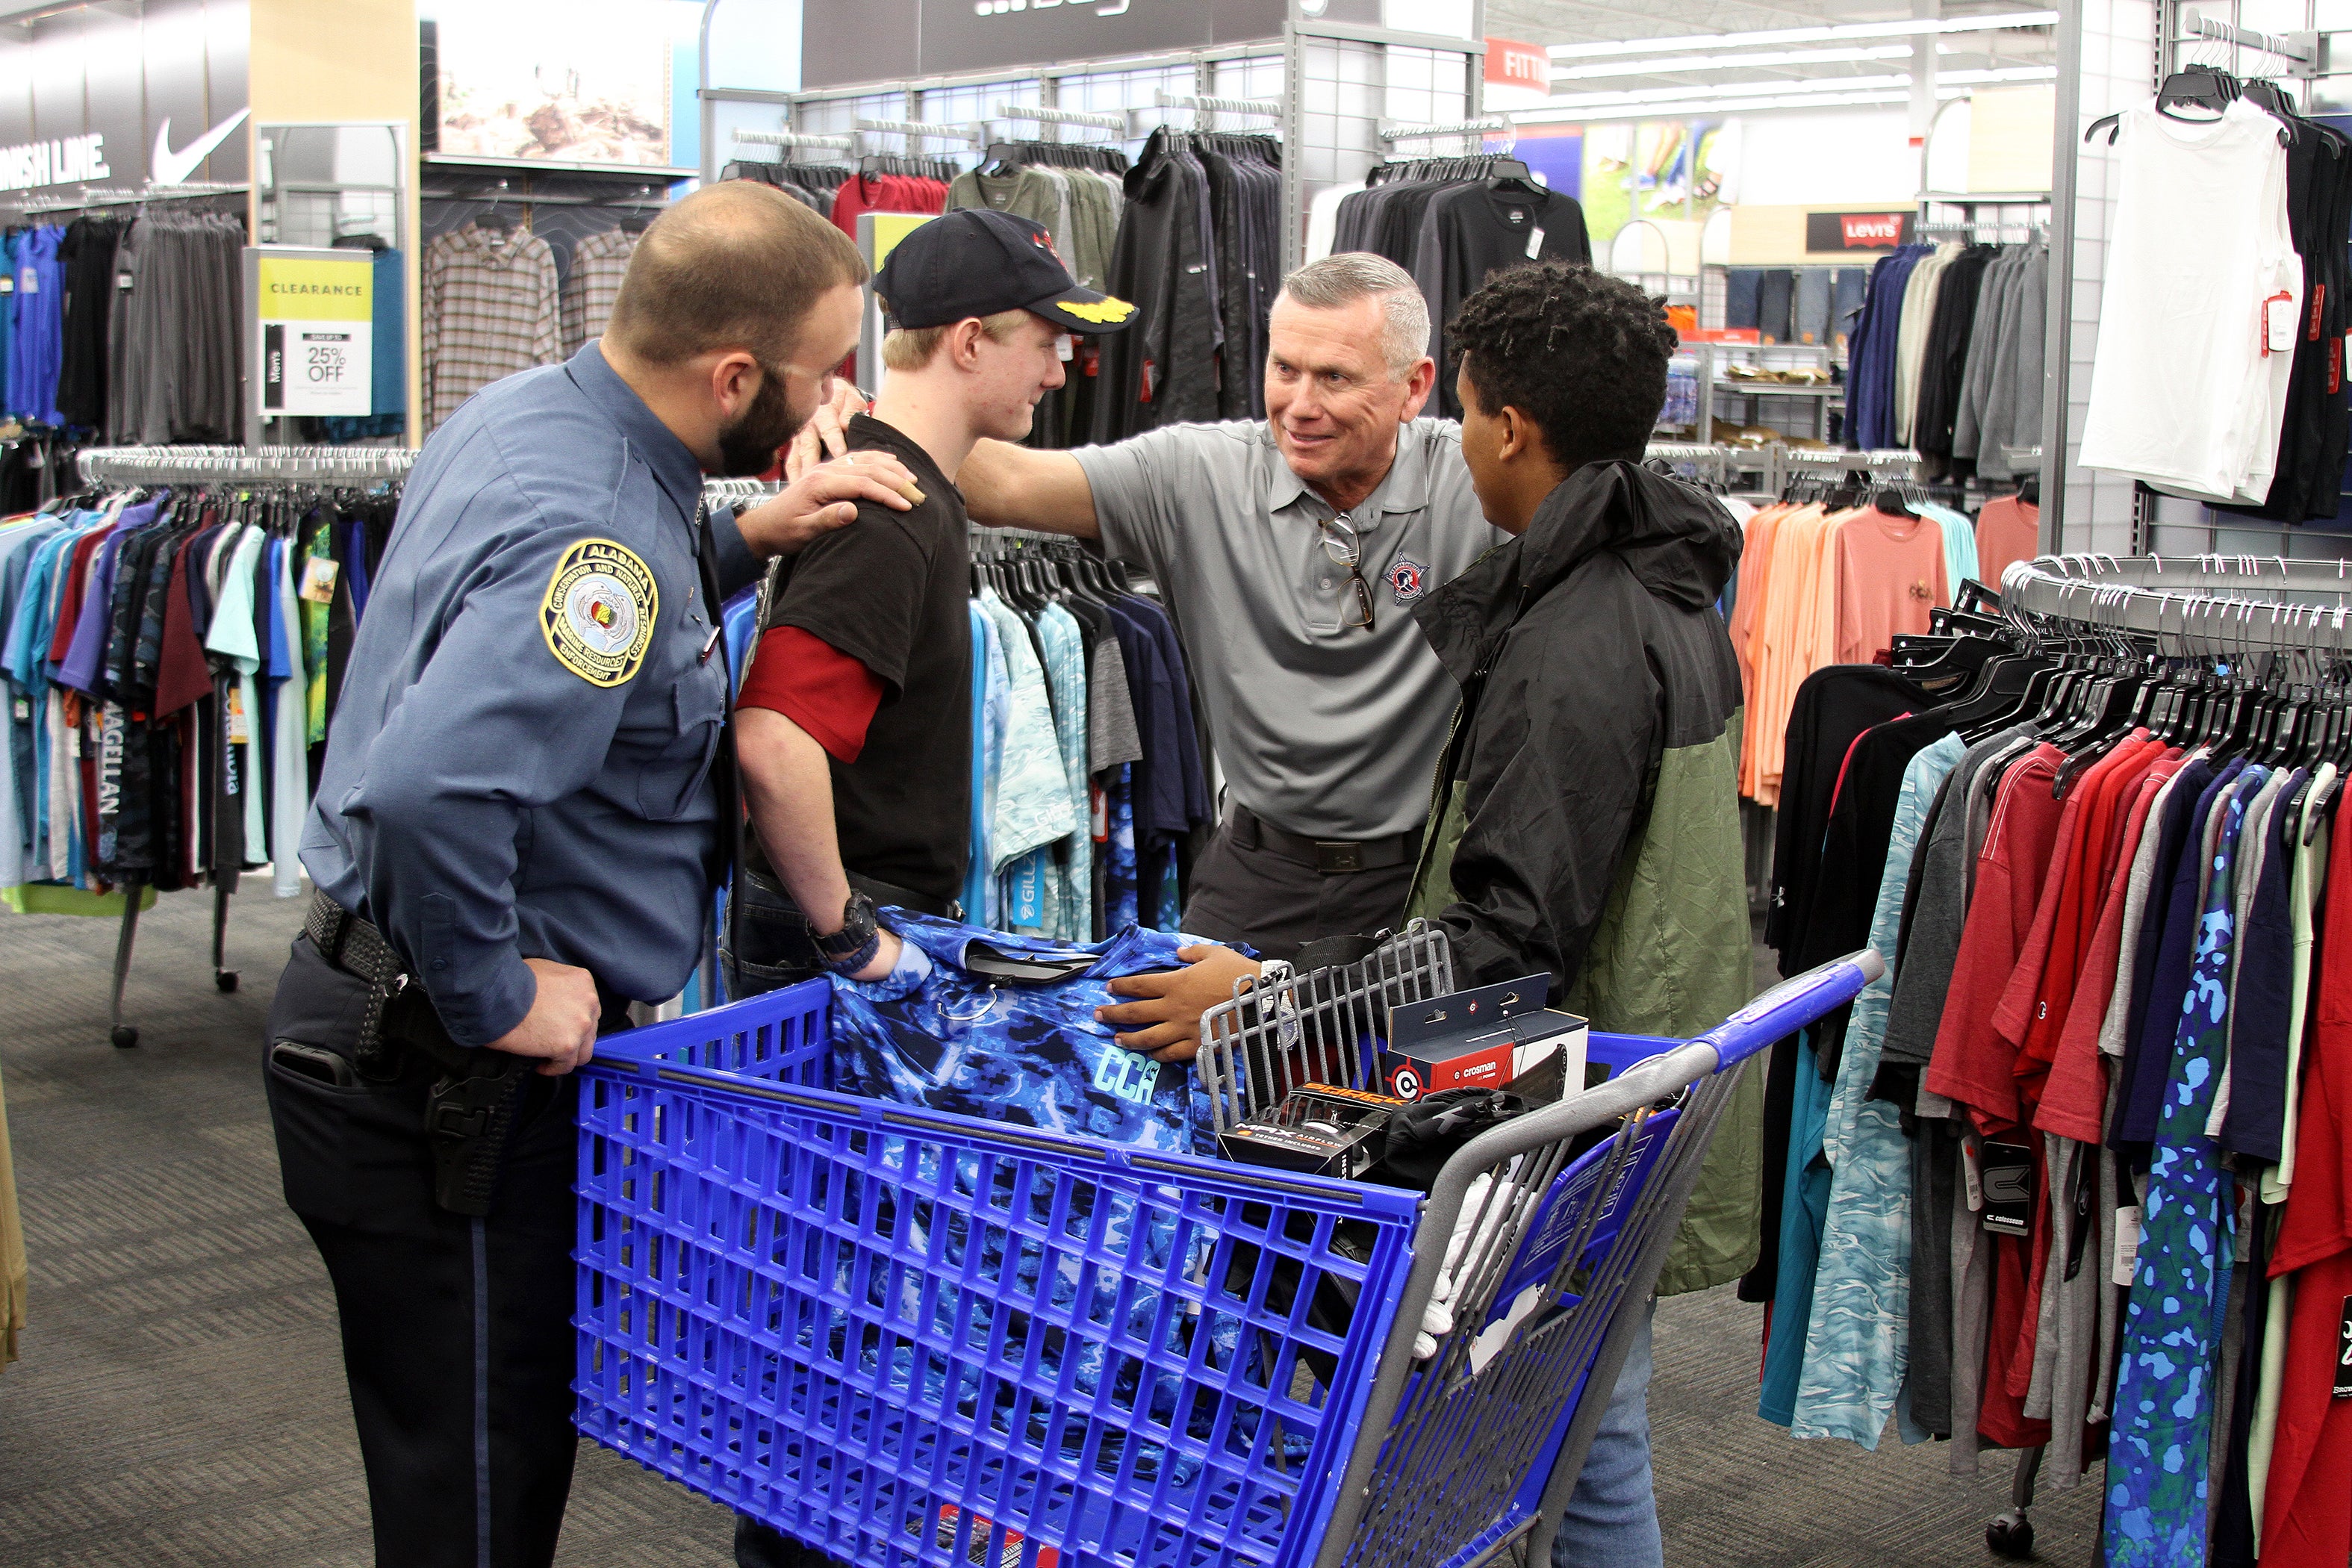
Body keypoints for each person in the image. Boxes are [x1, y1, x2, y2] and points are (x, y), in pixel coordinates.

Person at [264, 181, 924, 1568]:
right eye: (820, 371)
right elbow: (433, 791)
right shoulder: (603, 535)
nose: (841, 394)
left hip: (374, 1033)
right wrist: (499, 994)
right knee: (481, 1498)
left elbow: (584, 607)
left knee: (459, 1465)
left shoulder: (534, 422)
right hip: (444, 1072)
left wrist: (749, 536)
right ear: (736, 376)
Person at [1096, 262, 1754, 1568]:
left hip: (1580, 1093)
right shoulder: (1664, 583)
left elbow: (1512, 940)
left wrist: (1266, 995)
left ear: (1505, 428)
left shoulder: (1578, 638)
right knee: (1573, 1417)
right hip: (1625, 1064)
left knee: (1574, 1422)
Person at [921, 252, 1504, 963]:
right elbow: (1006, 484)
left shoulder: (1475, 480)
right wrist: (875, 417)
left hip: (1425, 884)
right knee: (1186, 1059)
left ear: (1413, 387)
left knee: (1408, 1076)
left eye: (1335, 377)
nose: (1300, 404)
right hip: (1258, 874)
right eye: (1284, 369)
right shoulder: (1199, 474)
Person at [724, 208, 1133, 1010]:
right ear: (971, 340)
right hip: (837, 941)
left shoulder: (904, 486)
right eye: (1049, 342)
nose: (1060, 372)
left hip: (851, 917)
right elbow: (773, 740)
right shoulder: (889, 512)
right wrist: (849, 935)